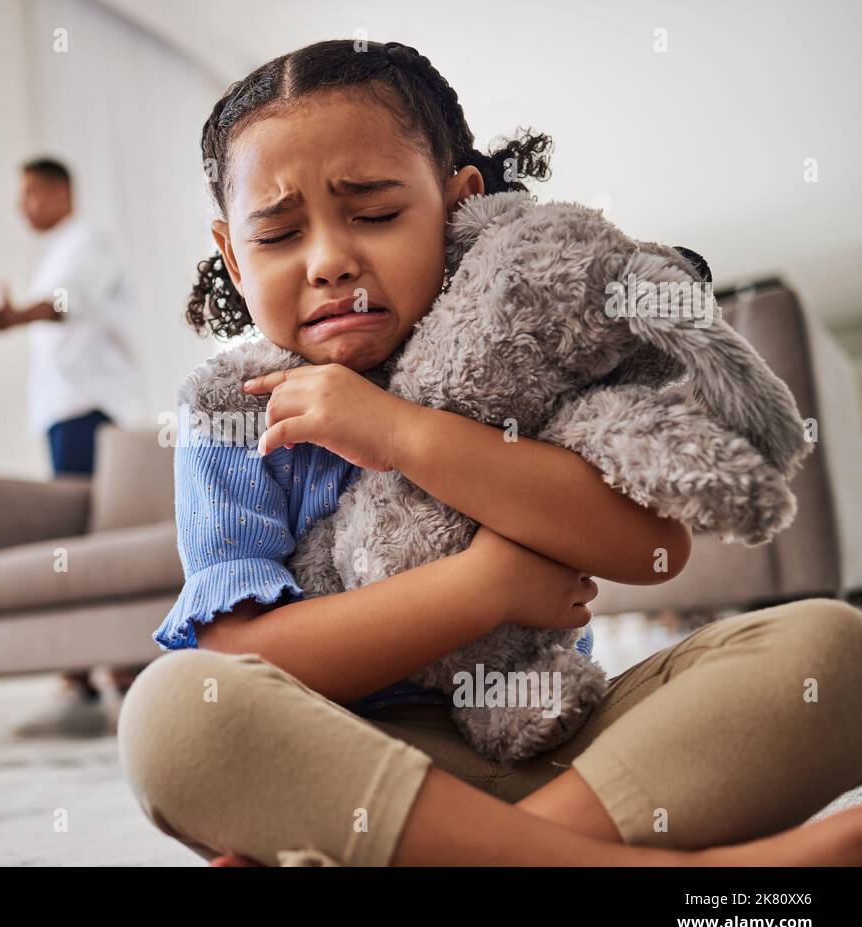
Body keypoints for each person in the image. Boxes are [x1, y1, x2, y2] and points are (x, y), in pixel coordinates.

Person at [116, 40, 862, 866]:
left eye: (375, 213)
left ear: (457, 200)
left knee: (830, 652)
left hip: (565, 748)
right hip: (362, 769)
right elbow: (236, 657)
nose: (329, 260)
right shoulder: (229, 413)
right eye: (280, 234)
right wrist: (484, 586)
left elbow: (650, 549)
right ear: (232, 255)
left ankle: (492, 854)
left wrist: (399, 434)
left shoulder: (521, 349)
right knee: (175, 713)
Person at [0, 158, 147, 737]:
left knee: (91, 532)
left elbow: (64, 302)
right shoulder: (56, 251)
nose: (22, 207)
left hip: (86, 409)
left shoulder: (84, 241)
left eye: (29, 194)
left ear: (60, 191)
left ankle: (114, 658)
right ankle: (85, 664)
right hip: (64, 412)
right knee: (75, 531)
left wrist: (16, 315)